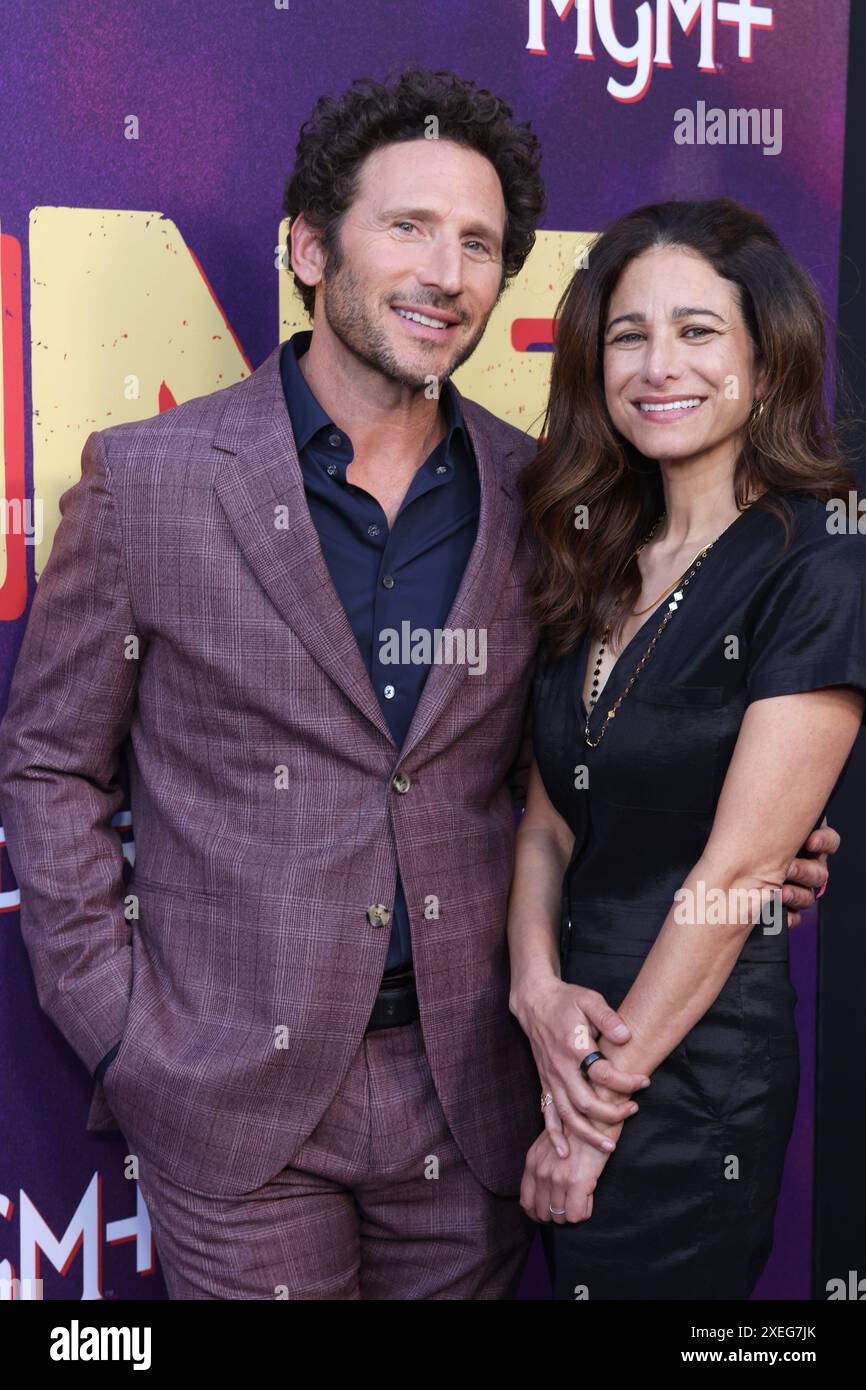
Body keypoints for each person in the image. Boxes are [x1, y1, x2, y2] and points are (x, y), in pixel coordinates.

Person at [0, 71, 834, 1300]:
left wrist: (748, 854)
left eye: (480, 244)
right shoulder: (150, 482)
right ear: (307, 247)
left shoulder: (547, 499)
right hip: (233, 1099)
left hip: (475, 1093)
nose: (446, 271)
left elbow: (569, 758)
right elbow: (50, 761)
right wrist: (123, 1028)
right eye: (407, 228)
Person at [508, 197, 866, 1300]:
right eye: (628, 334)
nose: (657, 365)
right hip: (554, 1037)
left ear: (764, 358)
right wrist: (531, 991)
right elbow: (545, 816)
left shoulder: (819, 557)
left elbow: (738, 874)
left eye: (697, 331)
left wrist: (596, 1110)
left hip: (686, 1061)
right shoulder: (597, 548)